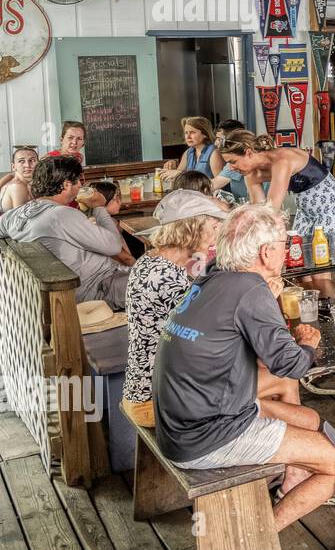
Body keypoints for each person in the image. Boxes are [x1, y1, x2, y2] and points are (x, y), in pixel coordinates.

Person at [152, 204, 335, 535]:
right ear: (267, 252)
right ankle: (260, 539)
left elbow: (249, 343)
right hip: (206, 434)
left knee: (311, 420)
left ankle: (291, 476)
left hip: (183, 418)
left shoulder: (214, 275)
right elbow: (291, 364)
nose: (286, 252)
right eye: (284, 245)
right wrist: (309, 343)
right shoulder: (250, 290)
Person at [121, 192, 228, 427]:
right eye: (213, 225)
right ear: (193, 228)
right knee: (260, 383)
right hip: (154, 400)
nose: (217, 232)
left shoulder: (154, 260)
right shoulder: (164, 277)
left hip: (151, 388)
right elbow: (216, 328)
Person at [0, 155, 133, 308]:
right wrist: (99, 207)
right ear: (67, 185)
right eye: (78, 181)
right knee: (164, 280)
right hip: (99, 288)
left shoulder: (15, 215)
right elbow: (114, 246)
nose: (80, 186)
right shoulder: (61, 215)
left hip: (61, 289)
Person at [219, 130, 335, 239]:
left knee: (329, 254)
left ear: (249, 153)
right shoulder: (250, 174)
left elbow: (271, 209)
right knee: (304, 256)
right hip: (305, 209)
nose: (230, 168)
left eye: (232, 161)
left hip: (330, 205)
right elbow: (259, 208)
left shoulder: (282, 160)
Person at [161, 116, 223, 182]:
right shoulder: (188, 152)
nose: (188, 137)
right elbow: (178, 177)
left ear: (205, 134)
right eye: (186, 133)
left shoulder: (214, 152)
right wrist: (171, 167)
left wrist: (181, 174)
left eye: (192, 132)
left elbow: (219, 183)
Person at [211, 119, 259, 202]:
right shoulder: (235, 161)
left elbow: (213, 185)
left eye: (219, 139)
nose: (215, 143)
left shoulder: (238, 160)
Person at [1, 145, 38, 210]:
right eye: (21, 161)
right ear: (13, 166)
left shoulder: (29, 184)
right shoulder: (17, 186)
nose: (27, 165)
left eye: (32, 160)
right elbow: (21, 219)